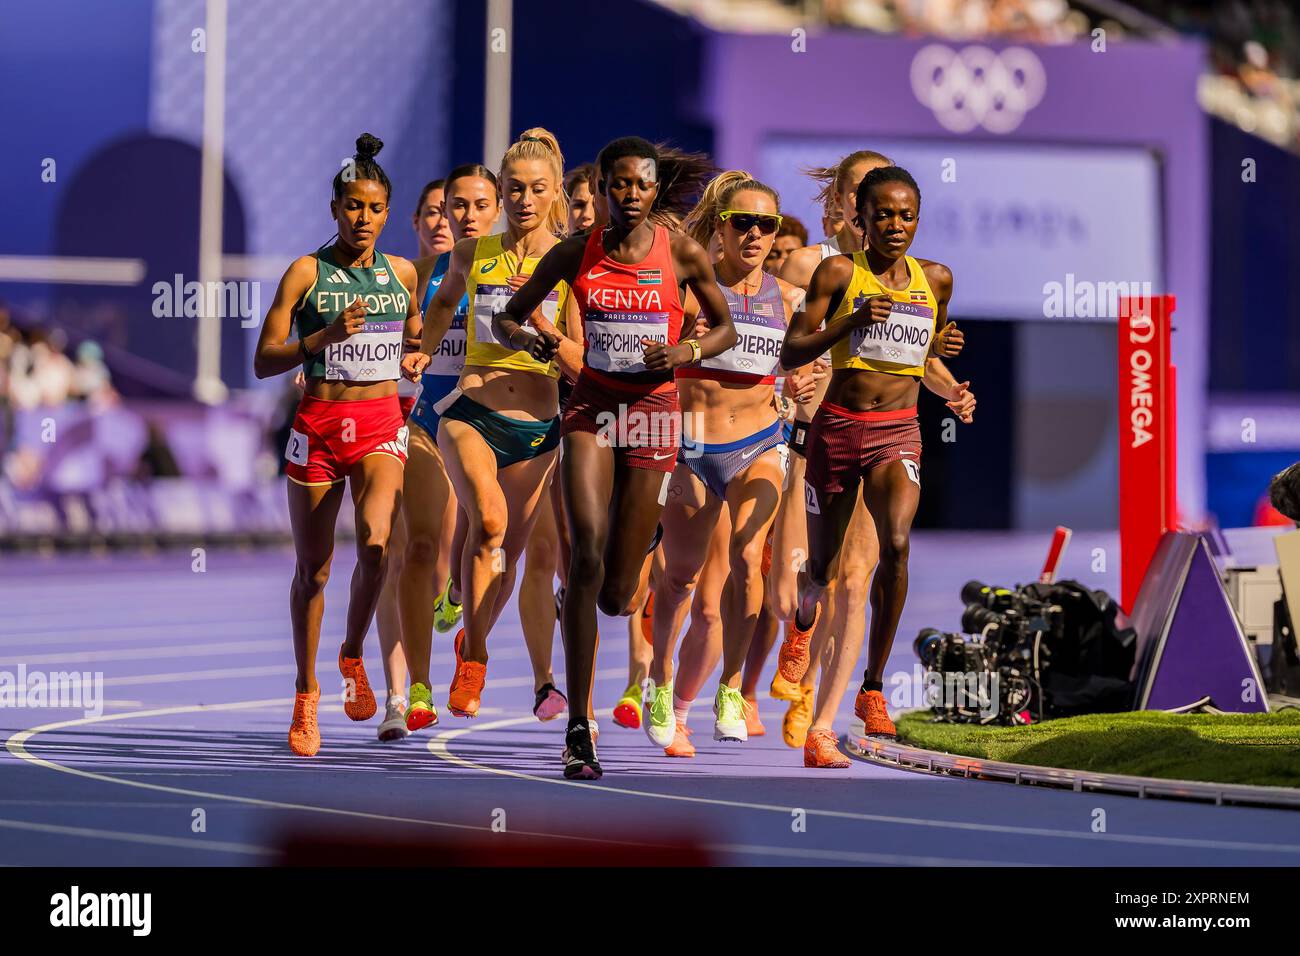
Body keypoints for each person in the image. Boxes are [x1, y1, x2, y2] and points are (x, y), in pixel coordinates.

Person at [491, 136, 736, 779]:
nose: (629, 195)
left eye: (641, 185)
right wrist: (535, 343)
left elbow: (725, 328)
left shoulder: (678, 253)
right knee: (586, 557)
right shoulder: (577, 252)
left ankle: (641, 532)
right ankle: (579, 729)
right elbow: (507, 320)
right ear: (600, 188)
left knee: (619, 595)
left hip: (653, 412)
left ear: (655, 192)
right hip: (592, 411)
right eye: (617, 184)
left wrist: (684, 354)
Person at [779, 164, 964, 767]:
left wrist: (944, 356)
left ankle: (874, 686)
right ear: (859, 218)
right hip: (837, 429)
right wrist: (849, 321)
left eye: (906, 215)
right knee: (825, 570)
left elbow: (916, 349)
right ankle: (803, 617)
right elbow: (792, 349)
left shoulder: (934, 280)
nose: (895, 226)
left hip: (898, 433)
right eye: (882, 214)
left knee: (898, 544)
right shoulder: (838, 272)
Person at [403, 129, 582, 724]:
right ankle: (473, 657)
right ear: (501, 193)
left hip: (538, 424)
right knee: (490, 522)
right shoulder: (474, 253)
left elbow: (580, 353)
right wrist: (425, 350)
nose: (524, 200)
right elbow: (443, 300)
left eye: (537, 190)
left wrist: (547, 338)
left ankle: (470, 643)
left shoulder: (572, 261)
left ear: (556, 193)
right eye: (513, 190)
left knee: (506, 552)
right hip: (472, 409)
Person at [253, 133, 420, 757]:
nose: (364, 219)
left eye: (375, 209)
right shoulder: (306, 272)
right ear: (334, 208)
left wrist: (415, 354)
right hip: (319, 428)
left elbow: (410, 344)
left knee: (376, 547)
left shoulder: (400, 273)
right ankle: (306, 691)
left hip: (379, 427)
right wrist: (319, 339)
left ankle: (353, 653)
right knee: (314, 571)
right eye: (353, 206)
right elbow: (264, 360)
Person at [643, 171, 817, 753]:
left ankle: (733, 686)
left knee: (750, 559)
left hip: (760, 443)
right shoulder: (689, 292)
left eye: (766, 225)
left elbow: (806, 367)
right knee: (680, 580)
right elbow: (647, 359)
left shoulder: (790, 299)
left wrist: (809, 382)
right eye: (743, 222)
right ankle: (660, 681)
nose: (756, 235)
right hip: (691, 451)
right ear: (721, 227)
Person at [395, 163, 502, 733]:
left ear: (499, 208)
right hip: (431, 420)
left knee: (493, 538)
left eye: (478, 205)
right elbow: (384, 337)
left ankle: (468, 623)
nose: (464, 216)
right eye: (453, 206)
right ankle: (418, 685)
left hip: (494, 425)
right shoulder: (418, 274)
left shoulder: (522, 272)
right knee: (417, 547)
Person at [371, 177, 461, 742]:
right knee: (393, 553)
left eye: (448, 212)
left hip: (456, 427)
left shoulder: (481, 280)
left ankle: (454, 608)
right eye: (429, 212)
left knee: (439, 553)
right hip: (395, 424)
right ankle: (397, 697)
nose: (439, 222)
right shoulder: (398, 279)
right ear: (416, 223)